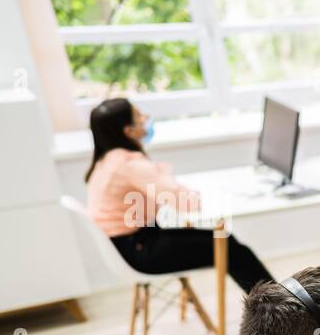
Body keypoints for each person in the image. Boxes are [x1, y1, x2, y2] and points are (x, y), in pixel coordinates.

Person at [85, 97, 274, 294]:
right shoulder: (129, 165)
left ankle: (279, 309)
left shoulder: (106, 160)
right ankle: (284, 313)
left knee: (227, 242)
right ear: (128, 131)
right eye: (139, 116)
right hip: (140, 251)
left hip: (130, 246)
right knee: (231, 249)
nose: (145, 118)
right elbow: (187, 203)